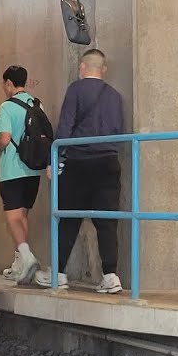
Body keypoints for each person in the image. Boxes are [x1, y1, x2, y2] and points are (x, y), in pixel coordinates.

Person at [33, 49, 125, 294]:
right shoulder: (115, 96)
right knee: (107, 222)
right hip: (109, 162)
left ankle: (59, 273)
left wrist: (56, 159)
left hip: (79, 162)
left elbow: (65, 126)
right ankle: (110, 276)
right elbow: (119, 128)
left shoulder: (76, 89)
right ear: (103, 69)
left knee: (68, 219)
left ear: (82, 67)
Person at [0, 65, 42, 283]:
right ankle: (19, 263)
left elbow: (4, 138)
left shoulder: (7, 107)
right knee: (23, 215)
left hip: (12, 169)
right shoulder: (36, 104)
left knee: (12, 217)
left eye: (5, 84)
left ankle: (28, 257)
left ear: (9, 84)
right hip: (33, 169)